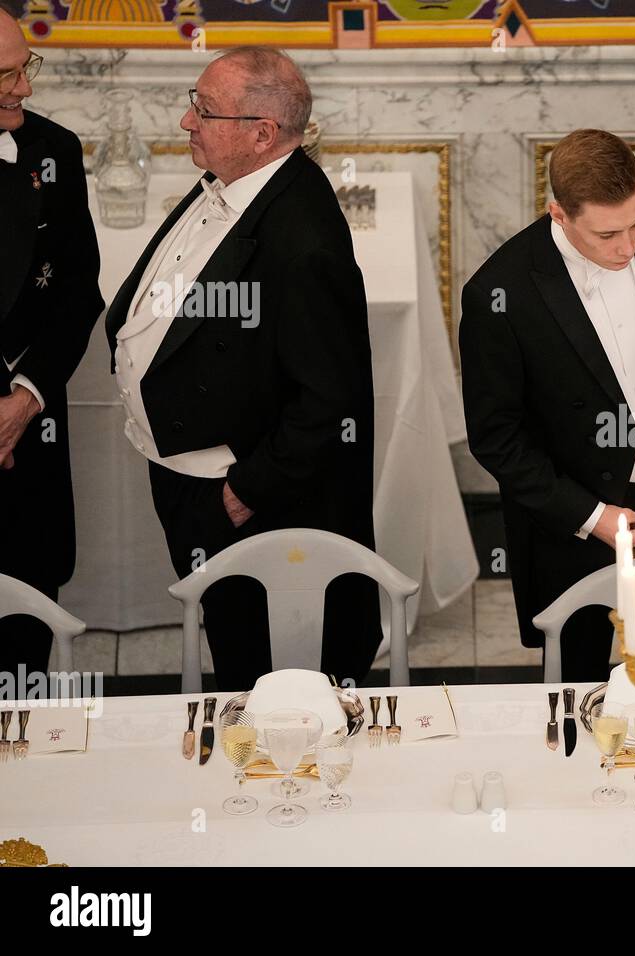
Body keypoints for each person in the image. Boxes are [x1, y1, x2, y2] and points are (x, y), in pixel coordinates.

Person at [103, 47, 380, 690]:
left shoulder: (305, 241)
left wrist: (241, 495)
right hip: (183, 464)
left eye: (204, 110)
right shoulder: (232, 185)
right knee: (225, 629)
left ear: (262, 134)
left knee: (259, 668)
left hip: (239, 492)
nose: (185, 122)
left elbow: (328, 402)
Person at [461, 129, 635, 682]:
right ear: (559, 213)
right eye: (607, 234)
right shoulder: (499, 292)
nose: (628, 246)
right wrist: (590, 516)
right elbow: (496, 437)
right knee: (578, 689)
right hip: (575, 517)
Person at [0, 9, 103, 688]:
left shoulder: (54, 150)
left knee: (28, 605)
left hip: (27, 427)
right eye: (7, 76)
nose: (25, 90)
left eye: (24, 69)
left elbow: (78, 290)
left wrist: (25, 397)